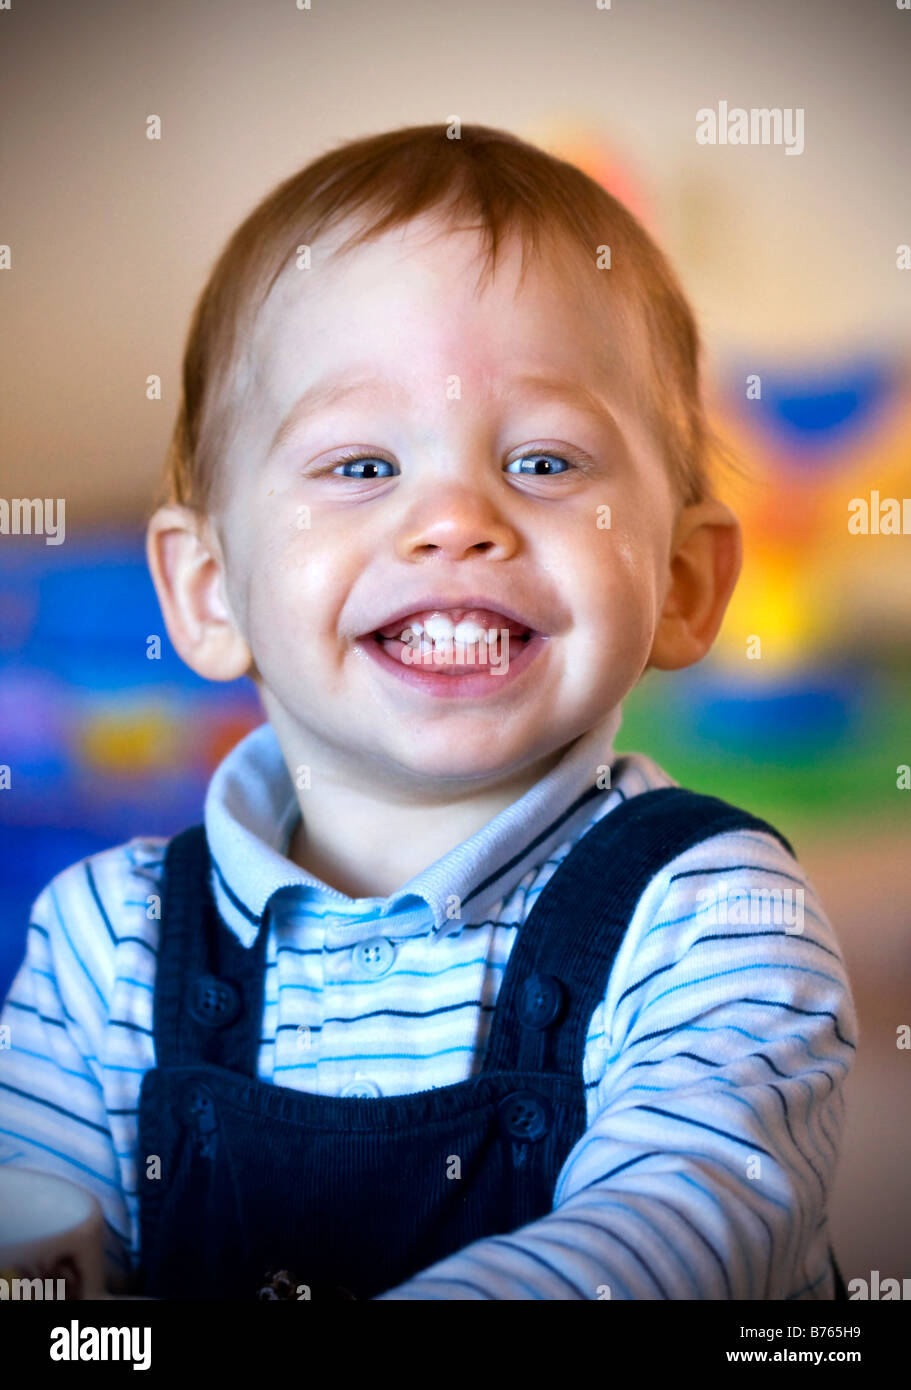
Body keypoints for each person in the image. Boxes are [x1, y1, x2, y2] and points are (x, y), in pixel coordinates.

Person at [0, 123, 857, 1300]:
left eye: (543, 462)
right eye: (361, 466)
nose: (454, 520)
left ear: (680, 581)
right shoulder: (106, 946)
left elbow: (677, 1231)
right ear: (208, 590)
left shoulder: (715, 917)